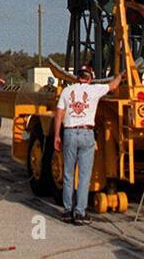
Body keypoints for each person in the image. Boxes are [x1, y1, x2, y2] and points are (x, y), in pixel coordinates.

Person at [53, 63, 124, 224]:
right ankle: (80, 213)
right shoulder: (94, 90)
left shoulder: (67, 91)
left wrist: (57, 135)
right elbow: (113, 86)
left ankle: (67, 211)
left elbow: (59, 114)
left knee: (68, 174)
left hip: (70, 132)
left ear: (77, 76)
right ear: (90, 78)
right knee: (84, 176)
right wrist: (120, 76)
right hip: (86, 134)